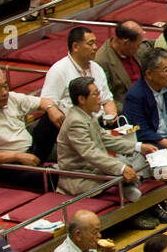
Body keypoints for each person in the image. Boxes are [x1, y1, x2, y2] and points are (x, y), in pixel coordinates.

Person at [56, 77, 154, 207]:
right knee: (123, 166)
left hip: (96, 170)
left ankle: (140, 198)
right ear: (81, 99)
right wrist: (120, 168)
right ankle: (138, 208)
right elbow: (90, 152)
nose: (99, 98)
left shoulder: (87, 115)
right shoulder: (75, 121)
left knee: (134, 159)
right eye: (95, 94)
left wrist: (138, 147)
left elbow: (105, 139)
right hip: (81, 177)